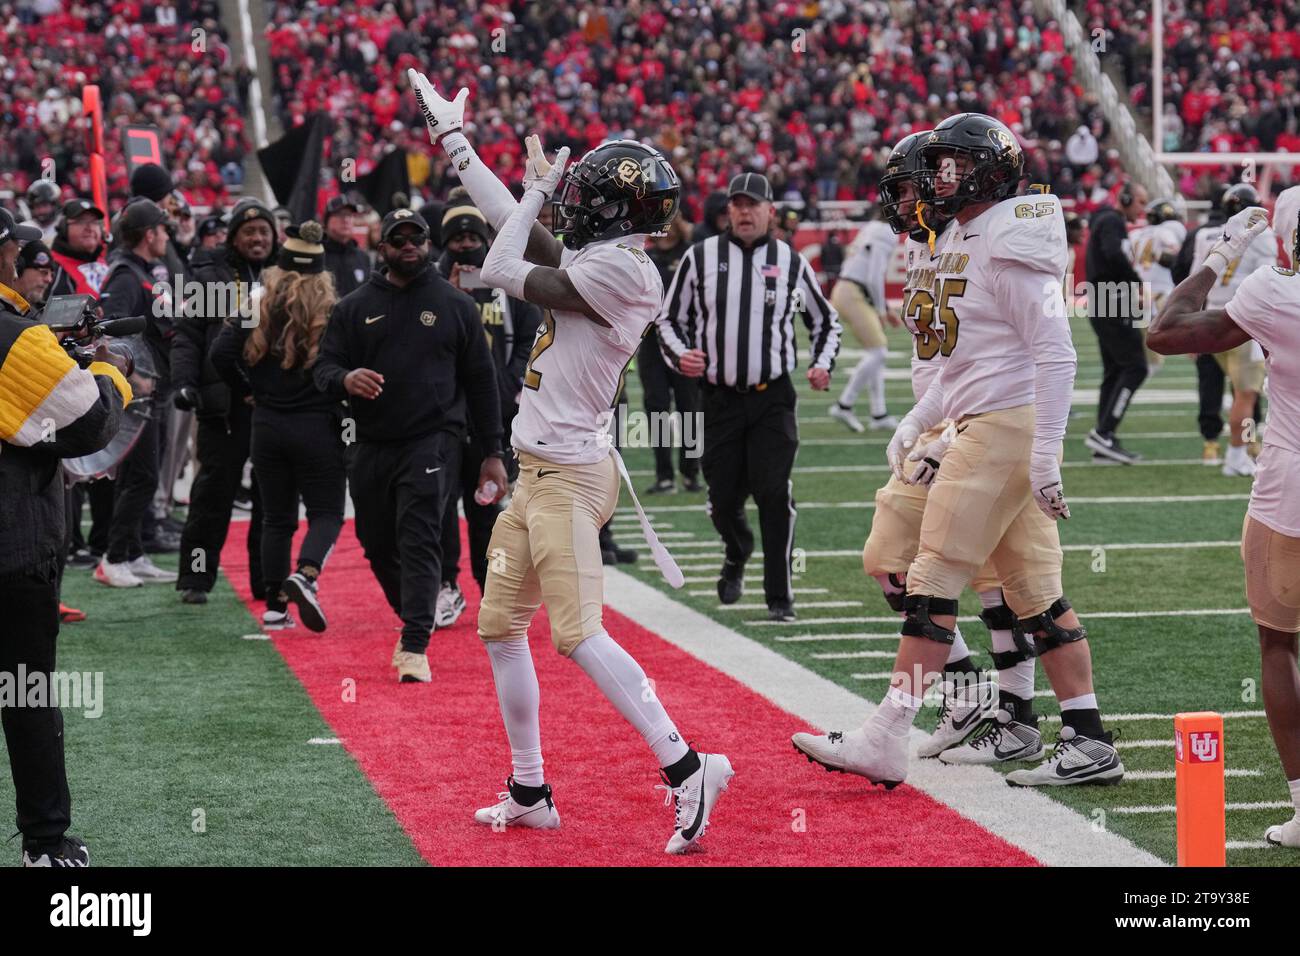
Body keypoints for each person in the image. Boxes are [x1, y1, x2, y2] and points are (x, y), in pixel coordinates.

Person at [411, 69, 733, 853]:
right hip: (538, 470)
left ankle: (689, 766)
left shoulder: (625, 272)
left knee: (578, 633)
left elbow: (498, 266)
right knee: (499, 627)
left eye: (585, 191)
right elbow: (510, 228)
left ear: (618, 208)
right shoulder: (603, 260)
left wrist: (532, 196)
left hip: (570, 475)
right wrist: (455, 141)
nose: (572, 198)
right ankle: (530, 790)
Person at [793, 113, 1122, 789]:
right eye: (935, 167)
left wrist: (1046, 455)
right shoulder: (964, 235)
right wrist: (917, 420)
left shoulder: (1008, 235)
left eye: (951, 167)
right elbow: (964, 365)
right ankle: (1087, 740)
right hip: (979, 417)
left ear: (990, 170)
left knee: (934, 574)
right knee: (1036, 593)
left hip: (1005, 425)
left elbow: (1055, 353)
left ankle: (888, 734)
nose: (938, 180)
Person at [856, 131, 1044, 764]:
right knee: (892, 562)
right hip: (947, 418)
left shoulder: (976, 242)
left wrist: (945, 430)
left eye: (915, 186)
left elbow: (1033, 347)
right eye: (908, 188)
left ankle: (1012, 714)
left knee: (998, 579)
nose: (908, 201)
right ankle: (970, 696)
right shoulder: (933, 246)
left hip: (981, 421)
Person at [1148, 204, 1300, 850]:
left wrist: (1216, 258)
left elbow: (1165, 331)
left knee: (1279, 644)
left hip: (1287, 492)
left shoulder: (1275, 293)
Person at [315, 207, 505, 679]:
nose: (408, 247)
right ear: (382, 248)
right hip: (371, 441)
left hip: (434, 440)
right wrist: (345, 378)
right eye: (398, 239)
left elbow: (482, 383)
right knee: (375, 541)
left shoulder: (457, 305)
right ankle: (416, 611)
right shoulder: (353, 307)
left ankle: (415, 644)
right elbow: (321, 370)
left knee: (419, 536)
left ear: (427, 244)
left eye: (416, 239)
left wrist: (492, 452)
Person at [0, 205, 133, 866]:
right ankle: (46, 843)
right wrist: (108, 371)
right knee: (27, 697)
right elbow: (87, 424)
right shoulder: (13, 337)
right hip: (13, 549)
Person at [656, 171, 842, 622]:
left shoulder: (791, 261)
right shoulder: (699, 258)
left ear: (770, 212)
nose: (743, 211)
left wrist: (822, 364)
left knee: (774, 493)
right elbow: (666, 321)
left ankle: (779, 596)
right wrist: (683, 357)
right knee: (721, 501)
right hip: (717, 399)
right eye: (737, 204)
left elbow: (826, 321)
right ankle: (737, 551)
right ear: (729, 211)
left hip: (772, 397)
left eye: (752, 204)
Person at [211, 222, 346, 631]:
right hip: (316, 425)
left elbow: (220, 354)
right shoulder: (333, 308)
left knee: (275, 517)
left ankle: (274, 606)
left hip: (266, 423)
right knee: (326, 513)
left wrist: (248, 389)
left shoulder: (258, 300)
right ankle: (304, 576)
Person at [434, 204, 541, 627]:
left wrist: (508, 383)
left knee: (485, 512)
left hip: (491, 419)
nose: (465, 246)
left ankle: (489, 591)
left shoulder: (507, 279)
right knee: (439, 510)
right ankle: (445, 585)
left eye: (473, 238)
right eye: (457, 239)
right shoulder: (433, 284)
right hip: (442, 415)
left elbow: (532, 335)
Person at [171, 199, 274, 606]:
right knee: (212, 495)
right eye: (249, 232)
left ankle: (266, 582)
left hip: (269, 402)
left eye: (264, 231)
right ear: (233, 237)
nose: (258, 238)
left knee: (271, 498)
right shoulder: (206, 275)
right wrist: (185, 383)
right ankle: (195, 579)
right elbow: (187, 335)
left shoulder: (285, 274)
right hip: (221, 403)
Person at [93, 199, 178, 587]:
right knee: (141, 477)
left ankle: (133, 552)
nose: (166, 236)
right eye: (162, 229)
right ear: (149, 235)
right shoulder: (126, 275)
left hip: (153, 390)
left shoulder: (143, 271)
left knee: (143, 475)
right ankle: (112, 559)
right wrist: (135, 374)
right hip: (137, 395)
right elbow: (106, 331)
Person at [1191, 183, 1274, 478]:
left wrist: (1192, 324)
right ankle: (1236, 456)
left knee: (1224, 388)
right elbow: (1267, 282)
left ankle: (1223, 445)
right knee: (1246, 393)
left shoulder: (1206, 235)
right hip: (1241, 321)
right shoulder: (1262, 236)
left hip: (1210, 320)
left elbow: (1195, 281)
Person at [1084, 178, 1148, 464]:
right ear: (1124, 200)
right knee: (1136, 367)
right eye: (1140, 202)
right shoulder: (1112, 222)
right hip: (1112, 299)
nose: (1142, 209)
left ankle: (1103, 441)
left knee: (1114, 370)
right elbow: (1114, 254)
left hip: (1102, 299)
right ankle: (1104, 432)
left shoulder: (1105, 220)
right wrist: (1135, 282)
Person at [639, 214, 701, 493]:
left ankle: (691, 473)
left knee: (690, 408)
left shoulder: (690, 255)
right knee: (657, 408)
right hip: (652, 342)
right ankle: (664, 475)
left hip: (684, 341)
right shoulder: (645, 257)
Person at [828, 203, 900, 433]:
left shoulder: (872, 228)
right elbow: (873, 276)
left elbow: (867, 272)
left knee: (875, 353)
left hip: (848, 288)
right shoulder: (885, 231)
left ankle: (879, 413)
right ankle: (844, 404)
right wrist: (880, 310)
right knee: (879, 351)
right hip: (853, 292)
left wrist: (884, 308)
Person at [1172, 186, 1230, 465]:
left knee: (1210, 380)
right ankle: (1250, 442)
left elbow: (1182, 274)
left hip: (1207, 317)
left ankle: (1210, 442)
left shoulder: (1198, 234)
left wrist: (1188, 319)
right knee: (1248, 385)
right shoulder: (1254, 234)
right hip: (1245, 317)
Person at [48, 198, 109, 299]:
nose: (89, 228)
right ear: (63, 228)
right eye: (81, 221)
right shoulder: (53, 270)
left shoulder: (104, 259)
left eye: (94, 222)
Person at [322, 194, 371, 297]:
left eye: (350, 215)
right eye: (340, 214)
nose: (346, 220)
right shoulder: (319, 255)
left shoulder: (362, 257)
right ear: (327, 221)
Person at [14, 239, 54, 306]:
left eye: (52, 275)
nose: (49, 279)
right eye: (44, 272)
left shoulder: (42, 310)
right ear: (18, 268)